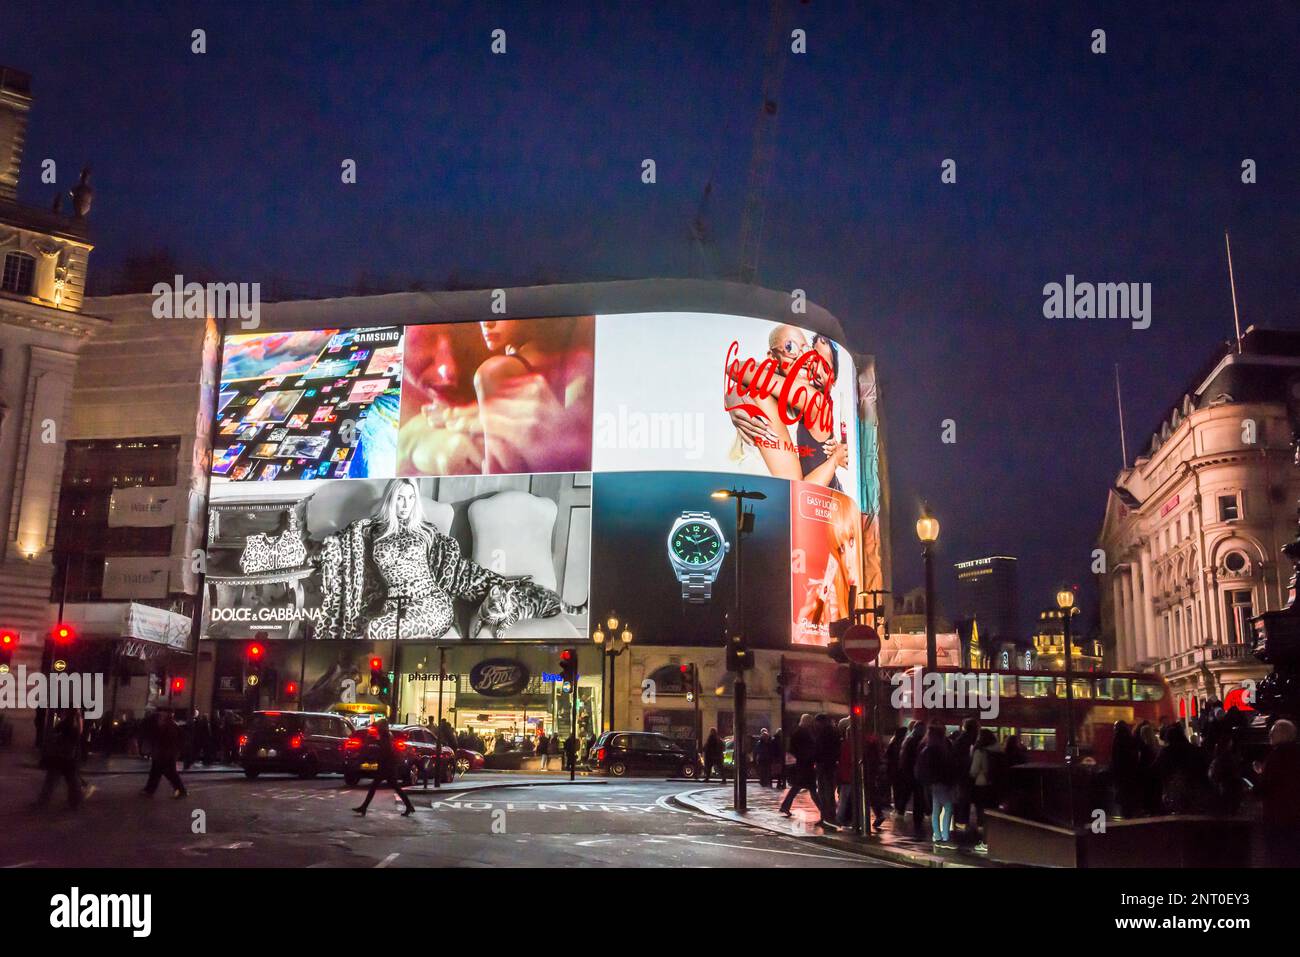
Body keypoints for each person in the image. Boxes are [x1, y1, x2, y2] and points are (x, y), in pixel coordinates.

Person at [1254, 719, 1300, 866]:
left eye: (1272, 732)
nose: (1270, 735)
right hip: (1295, 816)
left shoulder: (1275, 758)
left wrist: (1260, 775)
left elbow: (1265, 787)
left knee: (1278, 856)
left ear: (1280, 735)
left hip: (1278, 818)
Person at [354, 719, 415, 817]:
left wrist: (376, 752)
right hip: (388, 766)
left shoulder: (385, 736)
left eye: (378, 726)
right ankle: (409, 806)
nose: (377, 728)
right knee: (393, 787)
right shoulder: (386, 735)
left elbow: (385, 751)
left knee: (377, 787)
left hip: (386, 766)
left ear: (381, 727)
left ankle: (364, 807)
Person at [779, 714, 832, 827]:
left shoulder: (798, 732)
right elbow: (808, 749)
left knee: (798, 787)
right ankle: (824, 813)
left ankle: (785, 806)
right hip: (806, 766)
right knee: (812, 790)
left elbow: (794, 749)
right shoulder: (804, 733)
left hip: (802, 765)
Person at [1153, 723, 1208, 814]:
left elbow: (1155, 768)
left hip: (1172, 788)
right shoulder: (1193, 749)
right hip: (1192, 788)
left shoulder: (1166, 752)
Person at [35, 710, 84, 810]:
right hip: (69, 758)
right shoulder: (76, 725)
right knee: (72, 781)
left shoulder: (66, 724)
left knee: (51, 781)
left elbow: (55, 735)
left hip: (60, 757)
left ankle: (42, 802)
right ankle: (75, 802)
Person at [142, 709, 188, 799]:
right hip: (163, 753)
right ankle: (149, 790)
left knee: (169, 773)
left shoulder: (170, 727)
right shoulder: (168, 726)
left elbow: (169, 742)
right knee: (156, 772)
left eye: (161, 716)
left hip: (166, 754)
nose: (160, 718)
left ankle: (181, 790)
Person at [969, 728, 998, 851]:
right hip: (994, 784)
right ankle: (993, 837)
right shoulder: (999, 749)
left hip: (981, 784)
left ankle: (984, 841)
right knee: (991, 811)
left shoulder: (980, 751)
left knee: (981, 810)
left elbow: (974, 770)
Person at [899, 721, 928, 838]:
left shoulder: (909, 740)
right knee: (918, 797)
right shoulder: (923, 742)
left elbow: (904, 758)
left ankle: (901, 810)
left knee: (908, 794)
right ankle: (918, 818)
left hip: (910, 772)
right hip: (918, 773)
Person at [951, 717, 980, 829]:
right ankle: (962, 822)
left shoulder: (962, 739)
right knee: (964, 798)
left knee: (963, 798)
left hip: (963, 775)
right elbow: (963, 759)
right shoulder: (968, 741)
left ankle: (961, 821)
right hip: (965, 775)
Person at [813, 714, 840, 827]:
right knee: (827, 793)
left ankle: (827, 817)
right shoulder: (833, 731)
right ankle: (828, 817)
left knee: (825, 793)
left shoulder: (824, 733)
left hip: (824, 766)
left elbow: (819, 749)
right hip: (829, 765)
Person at [1110, 720, 1141, 818]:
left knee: (1123, 796)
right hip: (1132, 772)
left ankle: (1126, 814)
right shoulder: (1131, 739)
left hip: (1121, 773)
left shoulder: (1117, 739)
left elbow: (1115, 758)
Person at [885, 726, 908, 815]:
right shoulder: (903, 743)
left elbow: (888, 756)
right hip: (900, 770)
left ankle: (898, 807)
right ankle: (900, 808)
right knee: (901, 790)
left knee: (896, 790)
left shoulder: (893, 742)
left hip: (894, 770)